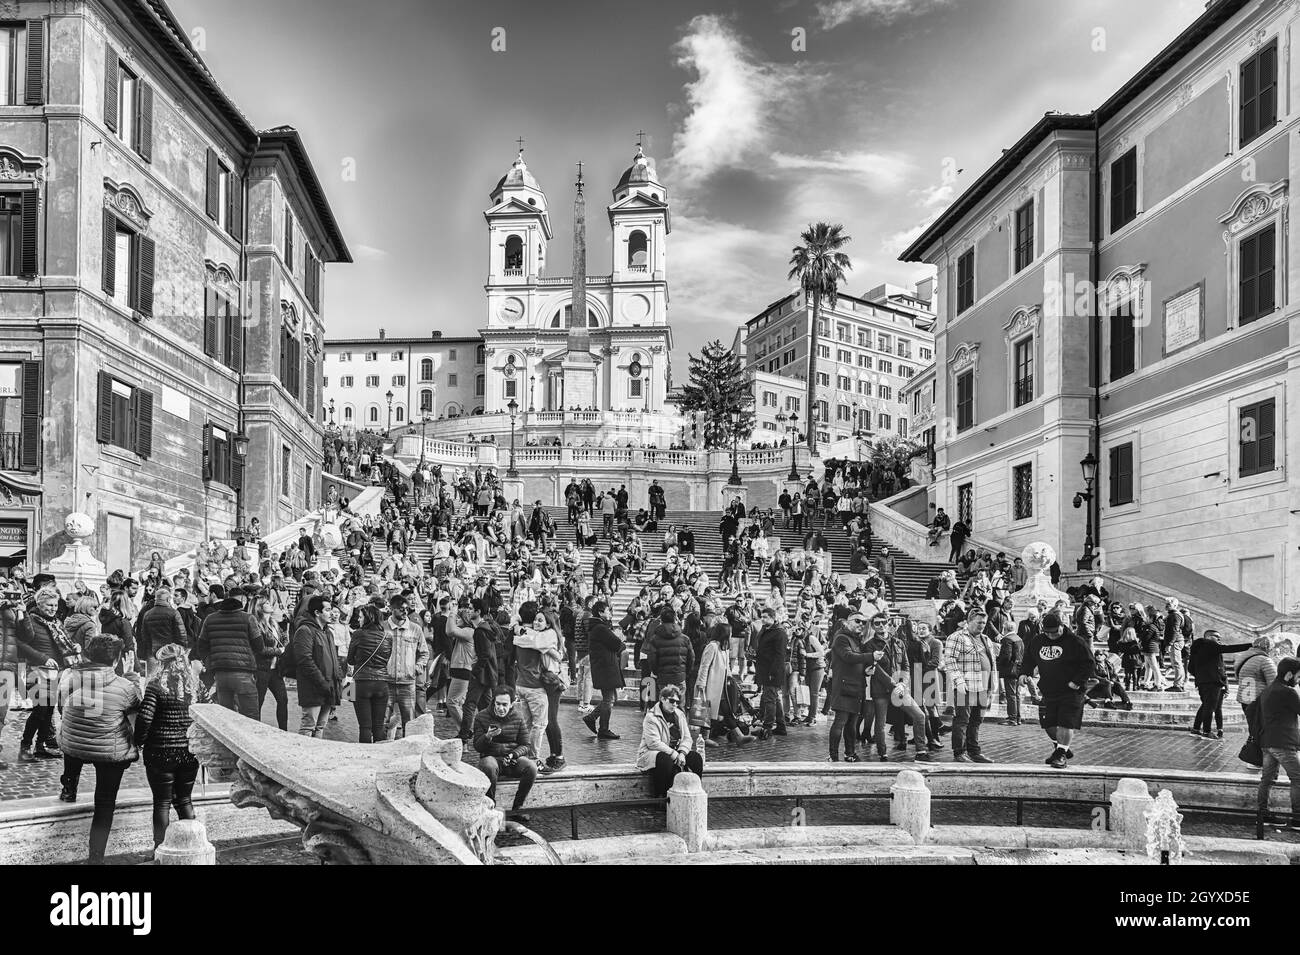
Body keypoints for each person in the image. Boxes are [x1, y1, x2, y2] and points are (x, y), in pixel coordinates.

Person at [56, 635, 142, 863]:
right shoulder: (125, 687)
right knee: (104, 802)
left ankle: (69, 786)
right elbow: (135, 714)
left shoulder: (68, 678)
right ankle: (96, 857)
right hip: (110, 752)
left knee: (73, 735)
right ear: (116, 661)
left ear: (87, 656)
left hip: (73, 745)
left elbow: (60, 708)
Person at [133, 643, 200, 848]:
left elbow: (145, 718)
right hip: (189, 751)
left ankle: (160, 847)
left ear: (161, 663)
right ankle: (191, 845)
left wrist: (139, 741)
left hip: (160, 751)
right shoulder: (195, 685)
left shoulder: (155, 685)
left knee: (161, 802)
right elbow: (206, 713)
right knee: (185, 800)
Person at [1021, 610, 1094, 769]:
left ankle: (1061, 754)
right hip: (1049, 689)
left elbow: (1089, 664)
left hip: (1071, 691)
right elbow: (1028, 659)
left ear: (1062, 626)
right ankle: (1061, 748)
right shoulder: (1038, 640)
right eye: (1048, 633)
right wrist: (1024, 673)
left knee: (1065, 722)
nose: (1052, 636)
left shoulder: (1076, 641)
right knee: (1049, 724)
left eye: (1055, 632)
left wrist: (1077, 682)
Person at [194, 586, 263, 720]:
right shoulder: (249, 618)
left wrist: (210, 662)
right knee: (251, 715)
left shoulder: (210, 619)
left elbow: (201, 645)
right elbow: (259, 645)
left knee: (226, 716)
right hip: (244, 672)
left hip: (220, 673)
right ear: (240, 606)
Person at [473, 685, 537, 824]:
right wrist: (488, 736)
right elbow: (477, 746)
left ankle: (517, 807)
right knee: (489, 765)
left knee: (531, 767)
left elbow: (526, 745)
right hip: (490, 758)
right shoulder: (481, 716)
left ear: (512, 704)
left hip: (511, 759)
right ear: (493, 702)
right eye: (498, 704)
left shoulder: (518, 717)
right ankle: (491, 807)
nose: (501, 708)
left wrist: (513, 755)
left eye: (504, 705)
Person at [943, 607, 996, 763]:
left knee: (976, 721)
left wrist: (992, 687)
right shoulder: (957, 637)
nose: (981, 626)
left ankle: (974, 751)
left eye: (984, 623)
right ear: (969, 621)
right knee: (962, 720)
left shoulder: (986, 639)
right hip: (966, 686)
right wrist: (958, 681)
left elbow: (992, 663)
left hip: (984, 686)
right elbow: (950, 660)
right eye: (979, 622)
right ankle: (959, 752)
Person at [636, 684, 703, 798]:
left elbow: (687, 738)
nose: (675, 705)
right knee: (664, 760)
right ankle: (662, 796)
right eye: (672, 701)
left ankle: (696, 792)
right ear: (662, 699)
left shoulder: (679, 714)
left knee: (695, 758)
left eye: (677, 702)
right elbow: (653, 743)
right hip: (651, 754)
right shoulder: (651, 717)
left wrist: (682, 753)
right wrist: (675, 754)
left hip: (676, 752)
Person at [1258, 658, 1300, 828]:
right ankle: (1298, 819)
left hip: (1268, 742)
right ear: (1289, 674)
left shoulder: (1269, 689)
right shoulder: (1288, 692)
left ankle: (1263, 815)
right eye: (1298, 676)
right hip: (1283, 744)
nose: (1298, 680)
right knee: (1298, 779)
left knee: (1266, 780)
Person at [293, 595, 342, 738]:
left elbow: (334, 659)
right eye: (327, 610)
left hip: (329, 686)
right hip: (313, 687)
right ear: (317, 612)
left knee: (320, 726)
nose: (331, 613)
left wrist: (336, 682)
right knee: (308, 726)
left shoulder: (328, 632)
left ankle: (316, 756)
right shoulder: (305, 630)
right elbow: (304, 660)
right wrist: (321, 682)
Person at [1187, 629, 1252, 739]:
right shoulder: (1209, 644)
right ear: (1208, 637)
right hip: (1212, 681)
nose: (1219, 639)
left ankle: (1196, 729)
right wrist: (1250, 645)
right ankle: (1207, 732)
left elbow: (1190, 668)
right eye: (1216, 636)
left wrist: (1201, 676)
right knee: (1210, 707)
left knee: (1205, 706)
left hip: (1202, 682)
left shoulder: (1197, 648)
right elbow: (1229, 648)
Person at [383, 594, 428, 739]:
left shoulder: (415, 629)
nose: (405, 612)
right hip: (386, 682)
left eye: (406, 609)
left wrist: (417, 667)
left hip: (408, 684)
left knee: (409, 724)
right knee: (382, 722)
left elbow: (424, 653)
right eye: (401, 609)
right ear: (392, 609)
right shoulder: (382, 627)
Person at [828, 611, 871, 762]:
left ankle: (850, 753)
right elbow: (848, 657)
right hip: (844, 686)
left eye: (864, 622)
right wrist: (871, 656)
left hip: (856, 686)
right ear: (847, 622)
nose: (861, 624)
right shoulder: (841, 638)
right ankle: (833, 756)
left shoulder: (856, 640)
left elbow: (857, 662)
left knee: (852, 723)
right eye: (857, 621)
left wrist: (866, 671)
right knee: (841, 721)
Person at [346, 603, 392, 743]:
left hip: (362, 682)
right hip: (382, 683)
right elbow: (386, 659)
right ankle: (380, 757)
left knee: (365, 727)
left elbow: (350, 660)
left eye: (360, 617)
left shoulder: (358, 634)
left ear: (367, 618)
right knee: (378, 726)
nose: (358, 620)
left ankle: (365, 758)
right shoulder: (387, 636)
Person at [582, 600, 623, 740]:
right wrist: (620, 636)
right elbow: (618, 644)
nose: (610, 613)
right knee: (608, 700)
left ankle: (592, 718)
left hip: (604, 666)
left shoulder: (597, 627)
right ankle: (603, 728)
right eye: (608, 611)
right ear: (600, 612)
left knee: (609, 699)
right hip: (606, 667)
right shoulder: (600, 628)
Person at [753, 604, 788, 738]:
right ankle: (781, 726)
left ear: (773, 618)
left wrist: (772, 673)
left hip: (772, 671)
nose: (763, 619)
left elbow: (779, 656)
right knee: (774, 698)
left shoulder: (780, 632)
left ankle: (767, 727)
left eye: (766, 617)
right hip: (764, 668)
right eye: (762, 617)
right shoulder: (765, 629)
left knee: (769, 699)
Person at [1236, 636, 1277, 743]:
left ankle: (1253, 745)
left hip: (1244, 698)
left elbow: (1238, 677)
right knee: (1261, 729)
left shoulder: (1242, 657)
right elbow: (1274, 684)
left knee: (1253, 726)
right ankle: (1258, 752)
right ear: (1267, 648)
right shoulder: (1265, 660)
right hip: (1258, 700)